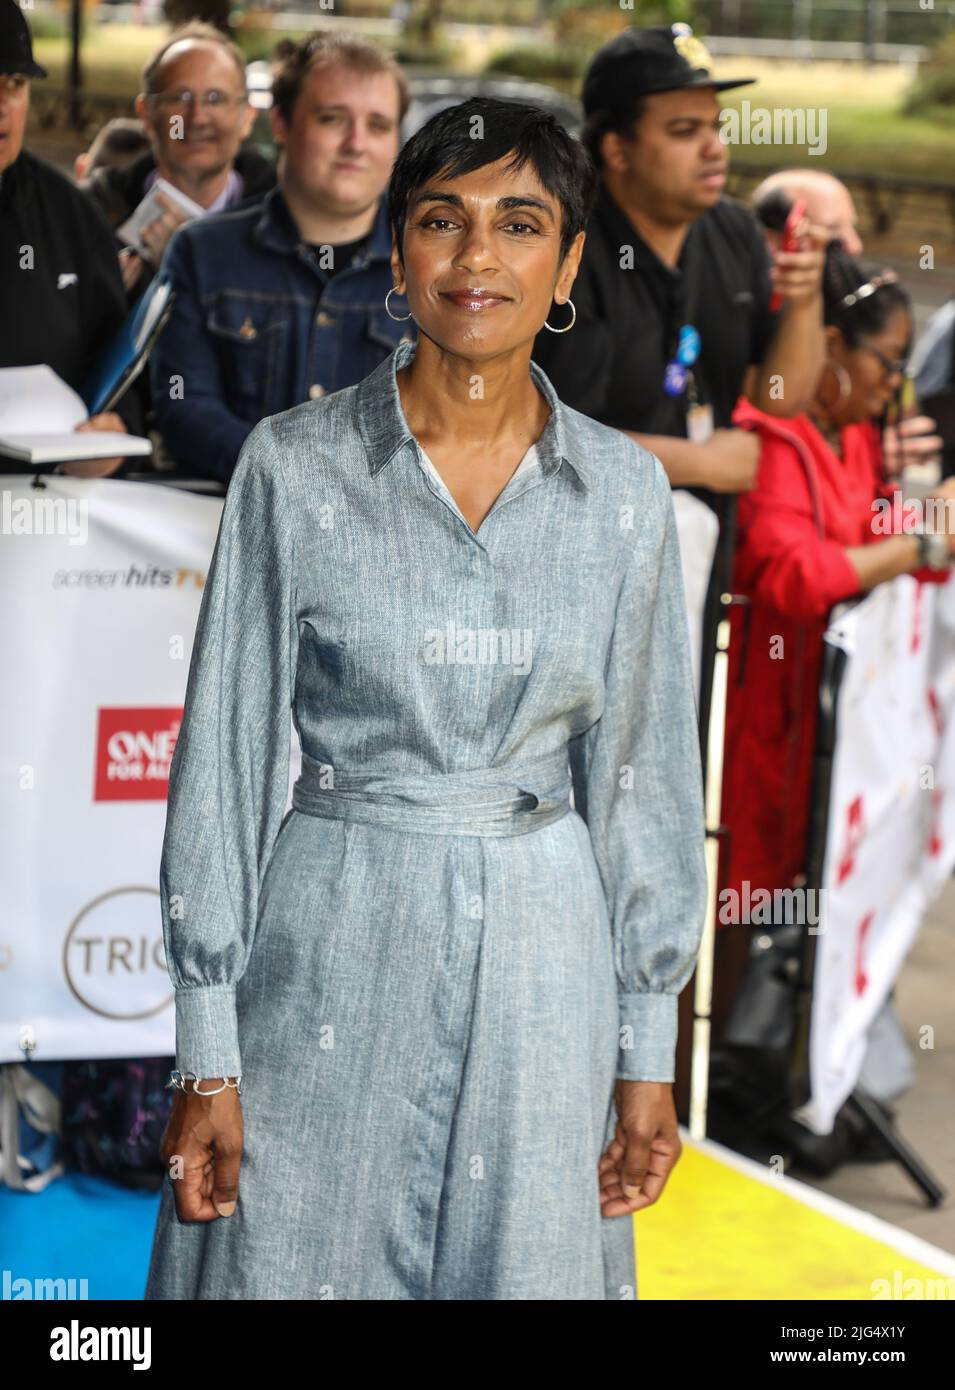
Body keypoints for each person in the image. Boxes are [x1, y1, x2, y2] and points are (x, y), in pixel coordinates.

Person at [143, 97, 708, 1300]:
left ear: (564, 267)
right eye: (443, 220)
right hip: (331, 944)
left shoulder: (622, 494)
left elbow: (645, 779)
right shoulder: (292, 469)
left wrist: (644, 1044)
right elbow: (228, 756)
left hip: (544, 965)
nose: (477, 257)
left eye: (519, 225)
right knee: (286, 1256)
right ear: (397, 254)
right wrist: (206, 1043)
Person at [678, 250, 953, 1128]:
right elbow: (796, 574)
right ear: (831, 348)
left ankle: (731, 1081)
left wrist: (922, 520)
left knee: (778, 897)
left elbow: (866, 527)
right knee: (727, 899)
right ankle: (679, 1090)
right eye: (886, 362)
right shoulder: (778, 433)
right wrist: (919, 546)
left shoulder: (855, 434)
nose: (897, 383)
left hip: (826, 726)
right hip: (757, 710)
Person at [531, 23, 827, 500]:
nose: (714, 149)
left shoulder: (735, 229)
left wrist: (805, 301)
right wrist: (698, 463)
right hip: (578, 547)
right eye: (685, 131)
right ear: (616, 149)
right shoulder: (560, 248)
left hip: (699, 557)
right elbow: (536, 436)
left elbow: (779, 397)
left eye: (716, 126)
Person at [150, 32, 415, 484]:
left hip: (390, 540)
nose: (356, 143)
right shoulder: (202, 251)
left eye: (377, 125)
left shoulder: (429, 262)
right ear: (280, 124)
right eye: (333, 119)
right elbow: (184, 409)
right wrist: (299, 479)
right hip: (231, 533)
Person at [0, 0, 135, 479]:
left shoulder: (72, 215)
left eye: (14, 86)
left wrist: (115, 430)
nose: (2, 108)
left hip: (44, 503)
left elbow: (117, 365)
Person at [83, 22, 276, 300]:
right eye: (180, 97)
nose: (197, 117)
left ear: (247, 118)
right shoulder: (87, 218)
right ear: (146, 114)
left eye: (215, 98)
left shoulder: (288, 225)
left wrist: (187, 268)